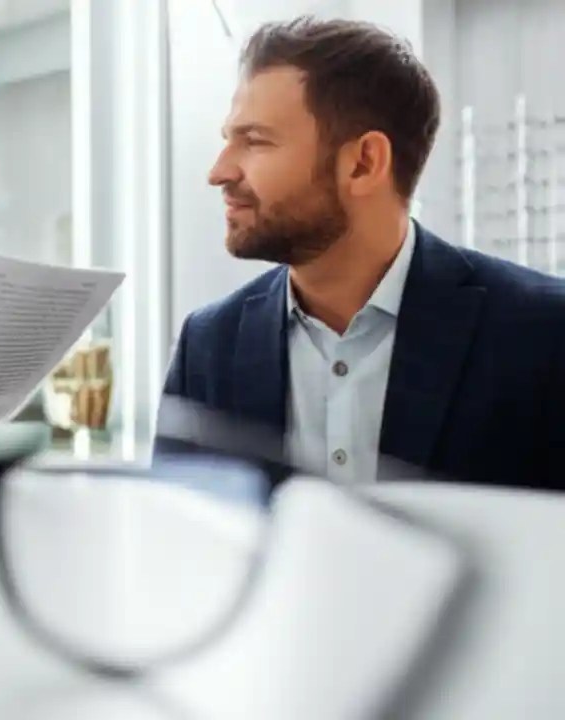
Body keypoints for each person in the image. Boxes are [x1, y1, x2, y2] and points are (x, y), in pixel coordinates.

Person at [157, 17, 565, 490]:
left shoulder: (544, 335)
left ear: (364, 163)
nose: (219, 171)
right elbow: (181, 543)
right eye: (229, 139)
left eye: (255, 141)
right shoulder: (208, 345)